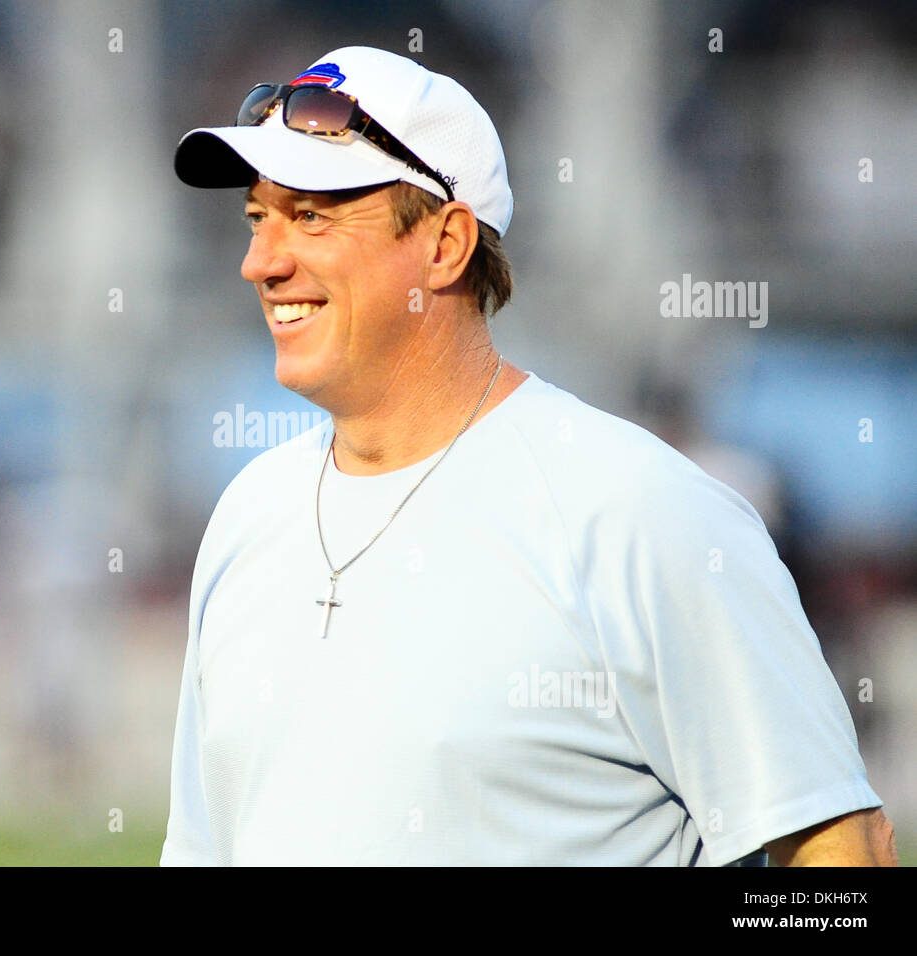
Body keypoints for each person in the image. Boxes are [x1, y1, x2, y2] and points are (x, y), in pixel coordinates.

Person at [159, 46, 896, 866]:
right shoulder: (248, 515)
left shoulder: (639, 513)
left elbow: (838, 854)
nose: (260, 263)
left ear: (445, 246)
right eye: (258, 218)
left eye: (311, 217)